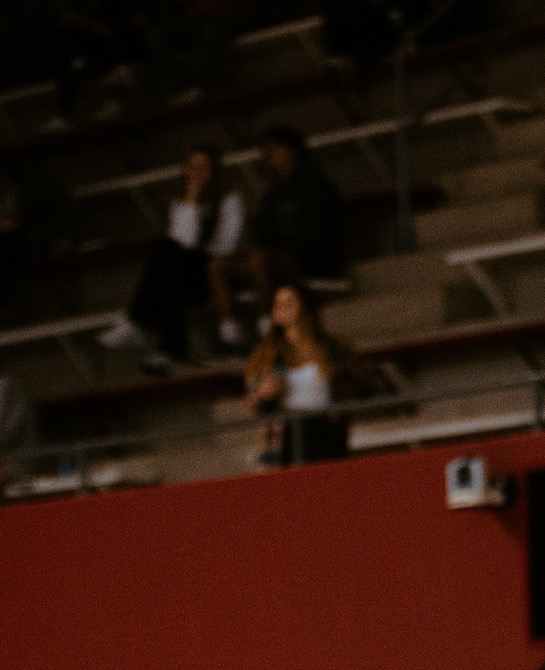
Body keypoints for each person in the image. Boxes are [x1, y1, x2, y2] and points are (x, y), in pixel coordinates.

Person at [96, 146, 245, 369]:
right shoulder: (180, 203)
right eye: (192, 167)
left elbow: (227, 245)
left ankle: (138, 321)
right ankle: (168, 349)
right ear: (183, 170)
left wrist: (194, 205)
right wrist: (192, 199)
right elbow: (184, 241)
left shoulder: (230, 199)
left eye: (204, 167)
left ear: (214, 170)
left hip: (218, 273)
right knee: (168, 266)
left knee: (166, 256)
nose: (198, 172)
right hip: (184, 275)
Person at [243, 282, 368, 466]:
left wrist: (342, 407)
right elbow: (252, 400)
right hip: (291, 430)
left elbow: (357, 383)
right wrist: (263, 394)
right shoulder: (266, 354)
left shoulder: (331, 348)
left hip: (328, 427)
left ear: (305, 306)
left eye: (290, 302)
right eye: (278, 303)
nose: (283, 308)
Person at [245, 127, 345, 300]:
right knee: (222, 265)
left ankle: (269, 319)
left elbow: (316, 230)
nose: (269, 154)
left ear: (293, 150)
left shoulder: (315, 184)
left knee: (260, 259)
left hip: (312, 257)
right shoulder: (273, 190)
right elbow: (264, 227)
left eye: (274, 148)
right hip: (282, 253)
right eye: (265, 150)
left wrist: (283, 246)